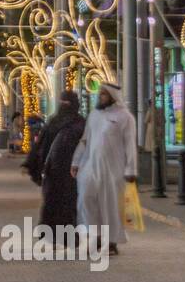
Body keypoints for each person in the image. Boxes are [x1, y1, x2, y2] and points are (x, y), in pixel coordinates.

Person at [71, 82, 137, 256]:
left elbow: (130, 146)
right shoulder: (94, 115)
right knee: (86, 199)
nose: (100, 96)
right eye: (99, 94)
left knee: (110, 206)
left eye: (103, 94)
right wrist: (76, 161)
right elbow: (85, 140)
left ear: (113, 97)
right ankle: (96, 237)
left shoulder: (125, 117)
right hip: (90, 167)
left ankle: (111, 242)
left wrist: (131, 169)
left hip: (114, 170)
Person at [25, 91, 85, 235]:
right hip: (60, 172)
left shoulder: (60, 122)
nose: (64, 106)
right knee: (61, 204)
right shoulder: (78, 123)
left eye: (66, 103)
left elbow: (40, 146)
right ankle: (59, 235)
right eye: (62, 102)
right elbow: (42, 146)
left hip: (67, 172)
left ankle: (61, 236)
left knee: (61, 204)